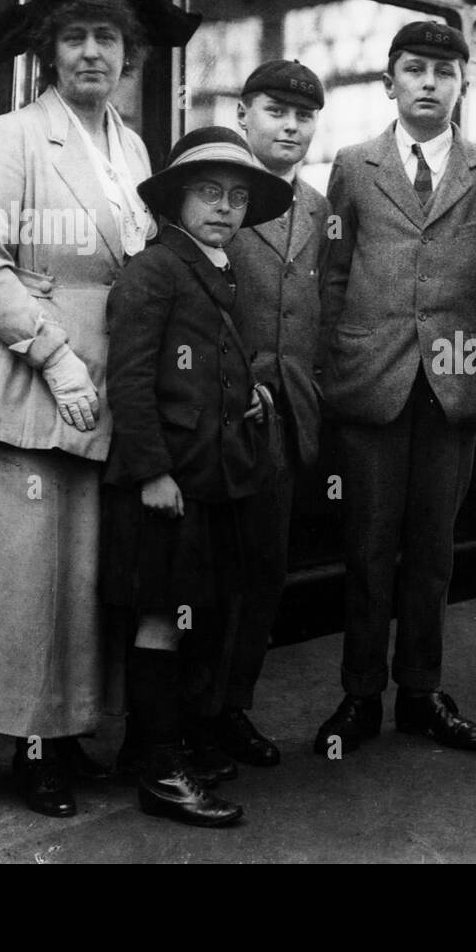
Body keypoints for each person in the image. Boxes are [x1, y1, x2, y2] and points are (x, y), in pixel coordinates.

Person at [0, 0, 198, 818]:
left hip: (110, 387)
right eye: (75, 37)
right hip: (30, 384)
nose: (93, 52)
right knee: (25, 580)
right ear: (48, 51)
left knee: (77, 576)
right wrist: (61, 361)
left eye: (108, 38)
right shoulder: (12, 135)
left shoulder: (132, 147)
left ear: (129, 52)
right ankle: (34, 754)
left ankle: (67, 735)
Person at [315, 21, 476, 755]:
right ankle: (360, 694)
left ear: (465, 83)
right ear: (389, 84)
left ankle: (423, 692)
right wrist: (329, 373)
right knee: (368, 546)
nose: (429, 83)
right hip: (372, 381)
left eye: (444, 71)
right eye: (414, 70)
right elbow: (334, 274)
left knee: (434, 548)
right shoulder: (353, 164)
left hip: (456, 384)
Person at [102, 126, 294, 826]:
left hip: (207, 480)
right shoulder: (156, 269)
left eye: (238, 196)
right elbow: (129, 379)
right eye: (208, 192)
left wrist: (250, 389)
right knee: (159, 615)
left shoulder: (215, 266)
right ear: (178, 200)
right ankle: (159, 770)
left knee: (192, 612)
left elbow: (208, 358)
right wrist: (152, 471)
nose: (225, 207)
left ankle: (159, 746)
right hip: (168, 483)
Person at [193, 59, 330, 768]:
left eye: (304, 116)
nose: (291, 126)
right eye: (276, 111)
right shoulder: (211, 192)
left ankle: (231, 709)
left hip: (283, 423)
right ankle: (189, 720)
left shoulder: (315, 206)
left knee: (264, 572)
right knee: (205, 578)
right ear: (243, 112)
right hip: (214, 422)